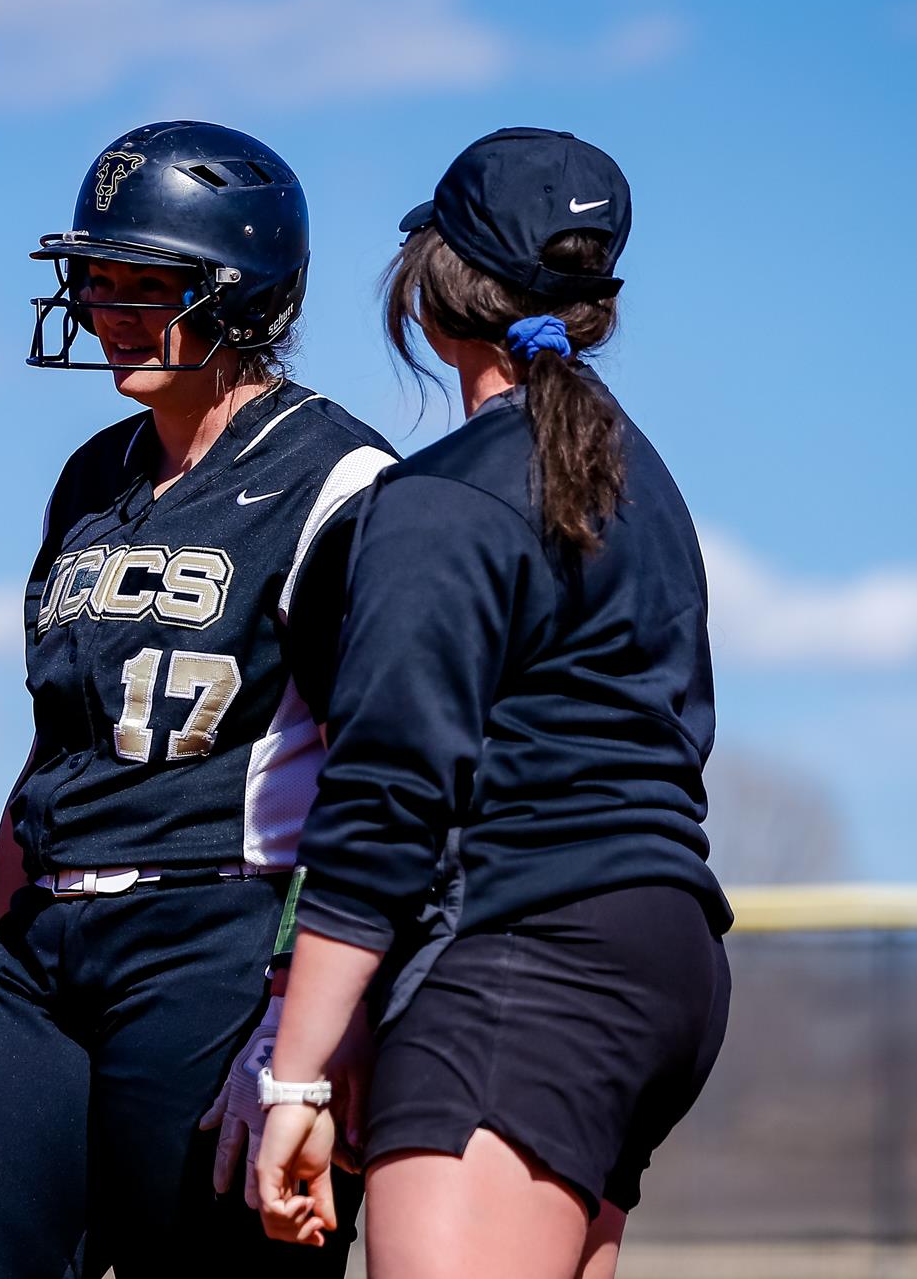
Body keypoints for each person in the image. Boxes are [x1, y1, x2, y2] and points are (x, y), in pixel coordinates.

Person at [0, 120, 395, 1279]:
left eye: (146, 282)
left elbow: (377, 777)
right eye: (93, 277)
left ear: (243, 297)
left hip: (219, 936)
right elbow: (49, 750)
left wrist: (303, 1027)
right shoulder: (93, 474)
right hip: (43, 946)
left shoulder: (338, 479)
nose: (106, 308)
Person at [253, 127, 735, 1279]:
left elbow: (385, 795)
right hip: (664, 954)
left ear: (429, 294)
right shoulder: (634, 473)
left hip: (530, 961)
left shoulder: (442, 498)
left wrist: (296, 1074)